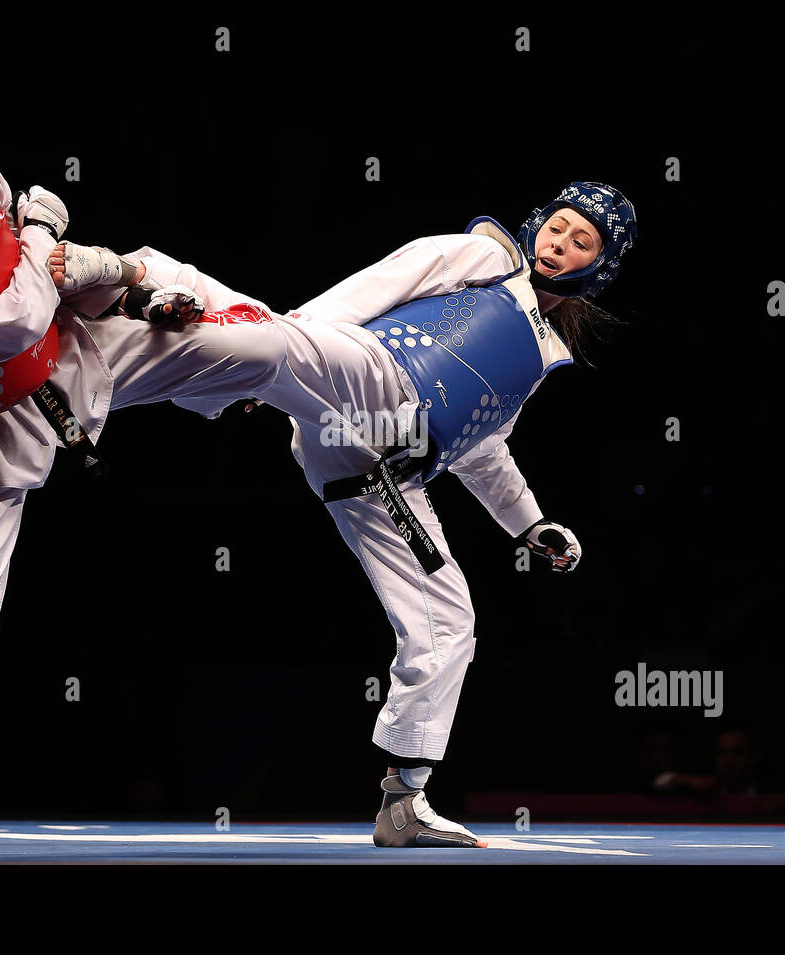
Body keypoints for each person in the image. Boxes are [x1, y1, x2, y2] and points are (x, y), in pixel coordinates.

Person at [62, 182, 637, 846]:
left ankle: (404, 800)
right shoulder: (486, 258)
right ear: (538, 223)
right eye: (558, 228)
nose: (559, 244)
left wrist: (530, 523)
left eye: (580, 242)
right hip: (375, 375)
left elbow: (484, 448)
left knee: (448, 618)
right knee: (268, 343)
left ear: (598, 267)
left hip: (380, 471)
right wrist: (290, 335)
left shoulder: (540, 353)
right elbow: (377, 284)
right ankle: (125, 280)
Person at [0, 33, 287, 856]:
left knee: (253, 343)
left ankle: (309, 372)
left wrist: (119, 280)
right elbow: (7, 315)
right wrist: (49, 231)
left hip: (73, 357)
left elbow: (24, 269)